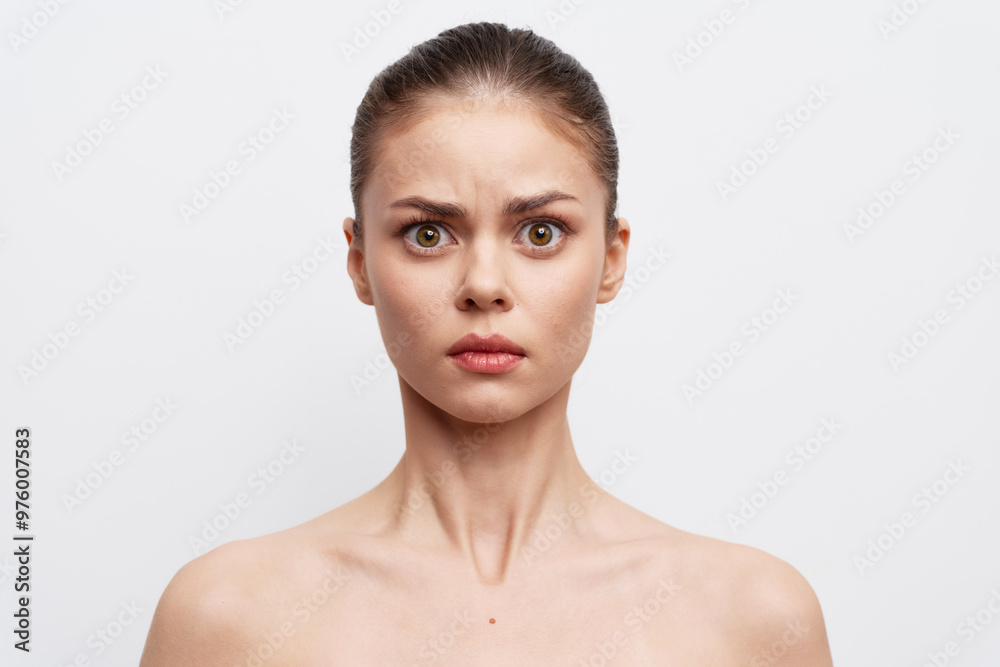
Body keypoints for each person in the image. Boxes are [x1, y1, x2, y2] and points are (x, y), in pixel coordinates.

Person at [139, 22, 834, 665]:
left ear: (612, 259)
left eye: (540, 232)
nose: (483, 285)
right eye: (428, 233)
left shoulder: (752, 620)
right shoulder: (225, 619)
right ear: (359, 264)